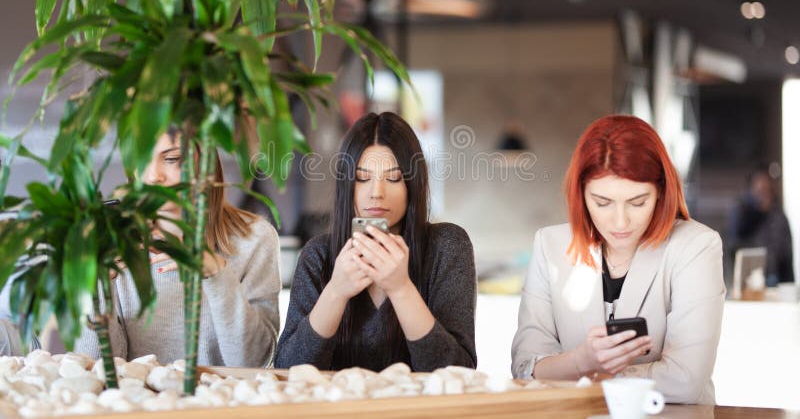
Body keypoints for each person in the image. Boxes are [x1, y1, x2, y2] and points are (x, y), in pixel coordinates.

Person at [512, 115, 725, 405]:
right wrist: (582, 360)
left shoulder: (695, 246)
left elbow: (684, 381)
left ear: (662, 192)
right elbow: (526, 369)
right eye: (603, 203)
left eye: (638, 202)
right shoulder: (550, 246)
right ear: (580, 193)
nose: (620, 221)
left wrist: (583, 373)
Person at [275, 112, 476, 372]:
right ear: (347, 184)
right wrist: (336, 291)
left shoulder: (447, 246)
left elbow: (457, 371)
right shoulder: (319, 255)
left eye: (393, 178)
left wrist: (401, 289)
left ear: (412, 184)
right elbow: (287, 370)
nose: (377, 193)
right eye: (362, 178)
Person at [75, 131, 281, 367]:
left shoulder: (253, 239)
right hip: (139, 402)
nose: (153, 176)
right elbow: (98, 369)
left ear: (205, 164)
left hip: (222, 402)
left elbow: (254, 364)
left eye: (171, 159)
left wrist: (217, 275)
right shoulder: (115, 242)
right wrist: (96, 287)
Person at [728, 166, 794, 287]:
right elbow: (736, 239)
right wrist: (760, 212)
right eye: (759, 188)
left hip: (777, 280)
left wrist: (789, 285)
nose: (763, 192)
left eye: (766, 188)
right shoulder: (741, 210)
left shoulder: (778, 214)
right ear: (751, 188)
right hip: (748, 280)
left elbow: (787, 251)